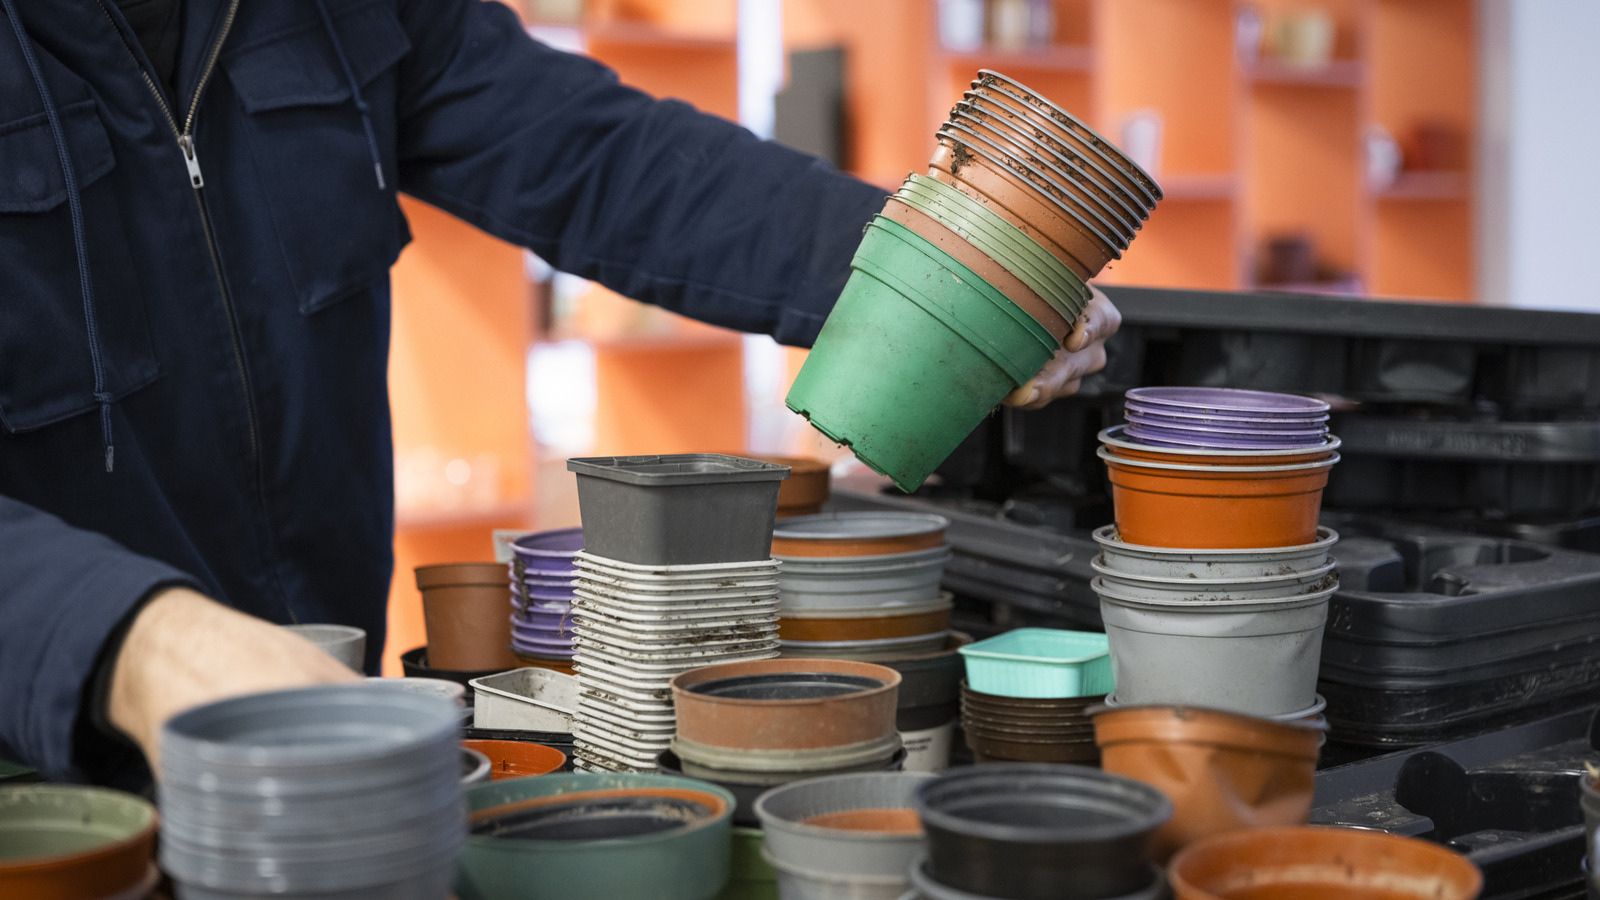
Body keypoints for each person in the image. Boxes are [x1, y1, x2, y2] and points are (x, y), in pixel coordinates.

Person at [0, 0, 1120, 787]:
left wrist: (929, 275)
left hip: (326, 729)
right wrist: (132, 643)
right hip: (44, 754)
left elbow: (596, 157)